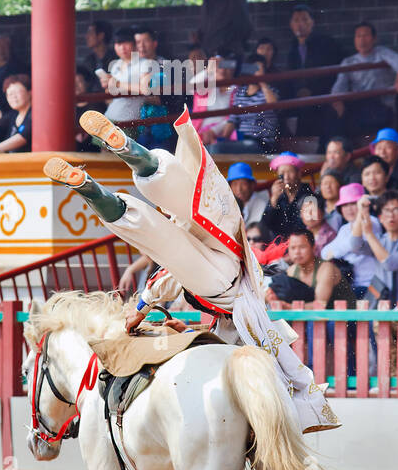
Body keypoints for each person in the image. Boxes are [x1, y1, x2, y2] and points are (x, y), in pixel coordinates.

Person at [43, 108, 339, 434]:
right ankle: (102, 174)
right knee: (164, 236)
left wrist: (145, 309)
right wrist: (142, 310)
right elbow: (169, 283)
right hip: (221, 274)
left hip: (222, 262)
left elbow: (168, 284)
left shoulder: (240, 327)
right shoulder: (247, 333)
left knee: (177, 211)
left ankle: (108, 170)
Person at [330, 22, 398, 144]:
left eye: (365, 35)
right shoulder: (349, 61)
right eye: (358, 36)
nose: (362, 40)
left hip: (382, 104)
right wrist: (337, 101)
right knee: (334, 116)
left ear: (374, 38)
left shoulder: (381, 53)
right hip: (359, 105)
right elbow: (339, 86)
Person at [283, 5, 340, 144]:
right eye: (296, 20)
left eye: (304, 20)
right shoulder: (292, 49)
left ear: (312, 22)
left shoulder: (325, 43)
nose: (300, 24)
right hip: (300, 100)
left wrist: (311, 90)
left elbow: (331, 72)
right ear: (291, 24)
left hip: (322, 97)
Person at [266, 229, 354, 311]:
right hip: (313, 321)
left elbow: (320, 305)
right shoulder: (291, 271)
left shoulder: (326, 268)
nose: (297, 252)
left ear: (313, 247)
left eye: (302, 247)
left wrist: (289, 307)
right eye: (293, 248)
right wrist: (272, 298)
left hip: (342, 320)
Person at [321, 183, 382, 298]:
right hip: (352, 284)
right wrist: (346, 248)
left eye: (353, 204)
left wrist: (342, 249)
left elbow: (355, 245)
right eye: (345, 205)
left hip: (371, 286)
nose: (349, 209)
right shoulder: (345, 228)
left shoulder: (372, 222)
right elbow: (325, 253)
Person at [351, 190, 398, 306]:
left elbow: (390, 264)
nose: (391, 215)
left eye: (396, 210)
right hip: (380, 304)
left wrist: (369, 234)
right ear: (380, 218)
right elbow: (355, 246)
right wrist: (361, 213)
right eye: (386, 211)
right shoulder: (379, 241)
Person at [215, 60, 280, 154]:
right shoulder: (240, 92)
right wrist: (223, 139)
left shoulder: (271, 92)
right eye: (253, 69)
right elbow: (233, 120)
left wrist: (263, 82)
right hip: (241, 140)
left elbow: (274, 106)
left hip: (261, 142)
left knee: (218, 149)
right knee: (213, 148)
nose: (255, 73)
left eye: (259, 70)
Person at [96, 29, 150, 126]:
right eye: (118, 44)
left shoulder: (145, 63)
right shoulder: (115, 65)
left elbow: (145, 89)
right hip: (108, 117)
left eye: (125, 43)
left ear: (134, 44)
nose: (122, 48)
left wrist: (117, 83)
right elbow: (110, 97)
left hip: (128, 121)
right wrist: (108, 86)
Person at [261, 153, 314, 237]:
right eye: (282, 173)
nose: (286, 177)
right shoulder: (279, 196)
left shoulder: (308, 195)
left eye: (290, 172)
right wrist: (274, 199)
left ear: (299, 174)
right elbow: (266, 225)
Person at [0, 76, 32, 152]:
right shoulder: (13, 115)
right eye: (10, 94)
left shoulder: (34, 114)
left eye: (17, 92)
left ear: (29, 93)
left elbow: (22, 137)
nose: (13, 97)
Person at [226, 161, 266, 227]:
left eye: (243, 184)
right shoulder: (226, 203)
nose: (239, 189)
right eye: (235, 184)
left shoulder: (261, 204)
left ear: (252, 185)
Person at [297, 192, 337, 258]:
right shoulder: (302, 234)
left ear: (322, 212)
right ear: (301, 215)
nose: (310, 215)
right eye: (306, 211)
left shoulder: (331, 236)